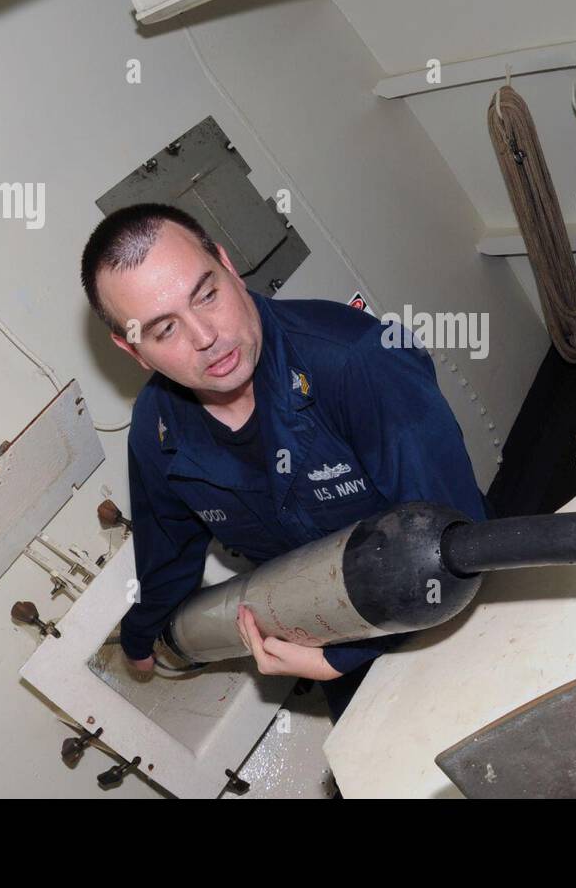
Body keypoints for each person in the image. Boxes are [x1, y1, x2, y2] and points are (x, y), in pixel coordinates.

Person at [79, 204, 486, 720]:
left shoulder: (357, 357)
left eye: (207, 294)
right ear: (133, 350)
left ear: (227, 264)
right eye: (164, 330)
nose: (206, 337)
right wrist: (142, 638)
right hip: (328, 627)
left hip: (456, 608)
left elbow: (459, 540)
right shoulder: (155, 432)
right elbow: (168, 553)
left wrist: (345, 658)